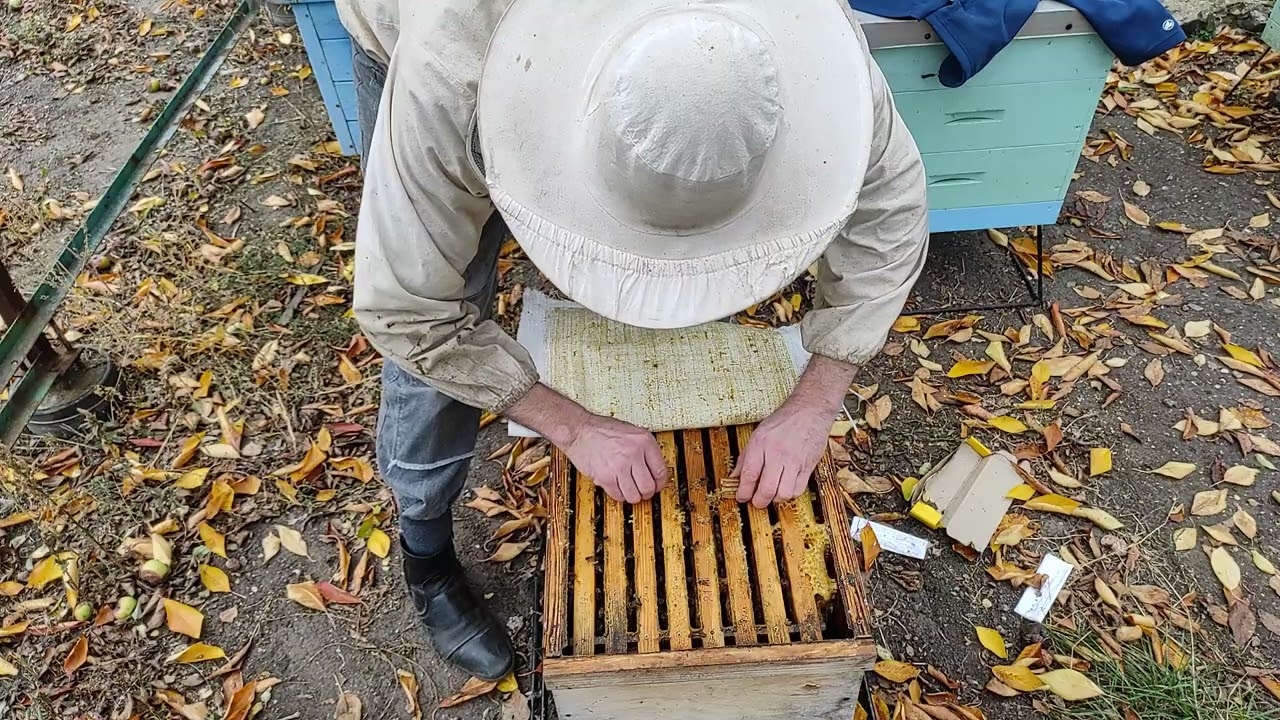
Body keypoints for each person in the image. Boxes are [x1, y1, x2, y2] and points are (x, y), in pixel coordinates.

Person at [337, 0, 929, 680]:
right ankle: (425, 549)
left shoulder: (816, 48)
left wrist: (815, 402)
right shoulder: (450, 70)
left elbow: (892, 218)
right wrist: (574, 427)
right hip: (416, 33)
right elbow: (412, 310)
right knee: (446, 289)